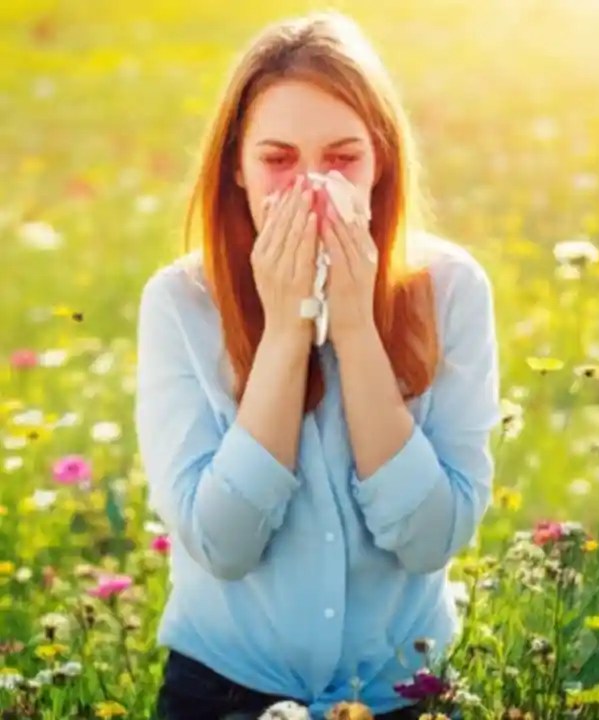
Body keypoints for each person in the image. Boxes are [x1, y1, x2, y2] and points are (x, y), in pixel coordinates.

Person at [134, 11, 499, 720]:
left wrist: (357, 326)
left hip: (403, 693)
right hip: (225, 689)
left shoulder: (452, 289)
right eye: (278, 160)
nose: (312, 187)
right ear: (237, 168)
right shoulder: (180, 303)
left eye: (341, 158)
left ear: (381, 161)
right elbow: (222, 545)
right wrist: (285, 331)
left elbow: (431, 540)